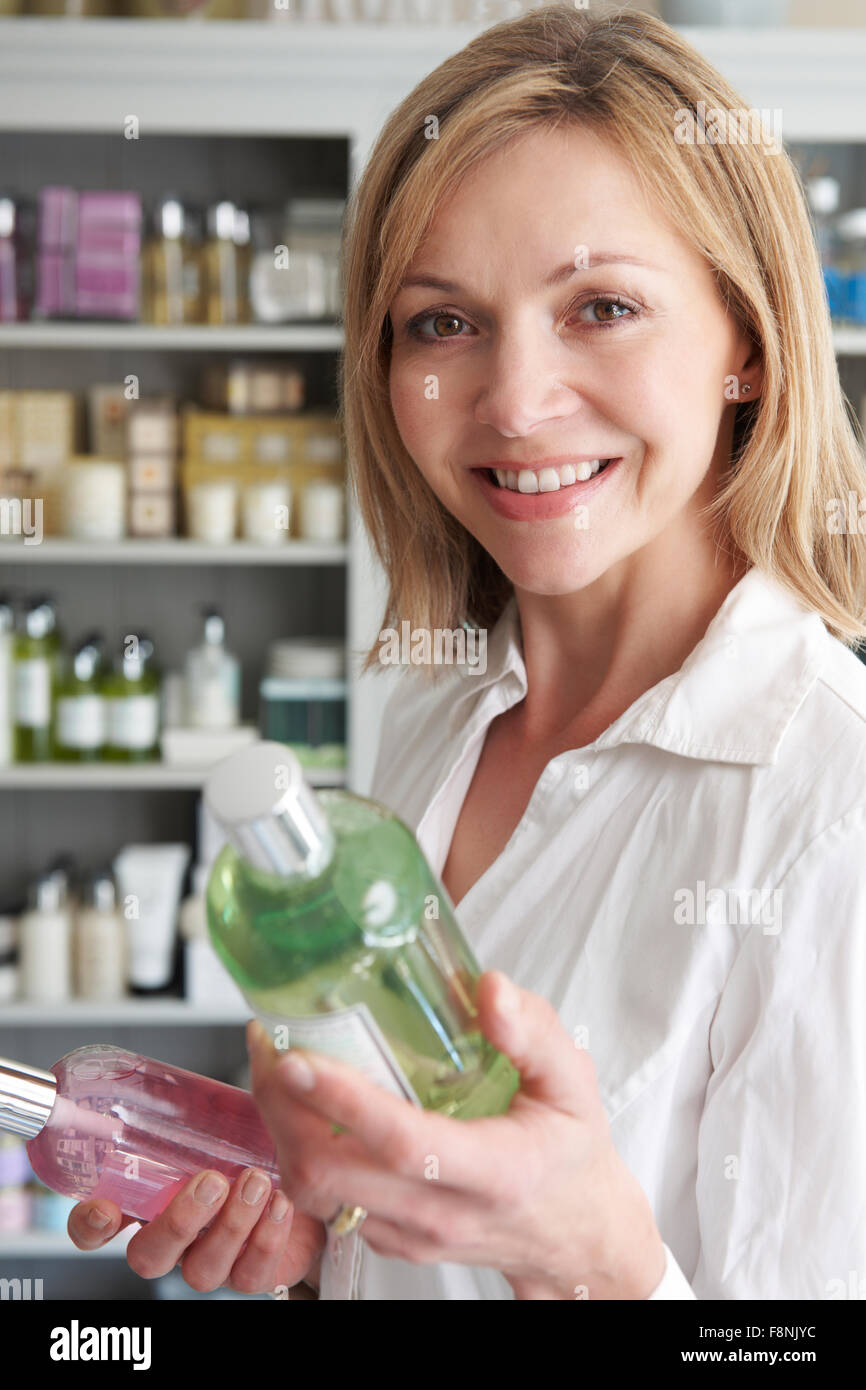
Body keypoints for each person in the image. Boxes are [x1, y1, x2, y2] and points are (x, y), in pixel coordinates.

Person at [69, 5, 866, 1300]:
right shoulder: (437, 705)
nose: (511, 400)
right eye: (441, 323)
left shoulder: (831, 812)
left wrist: (591, 1258)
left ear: (748, 346)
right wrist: (314, 1245)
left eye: (600, 305)